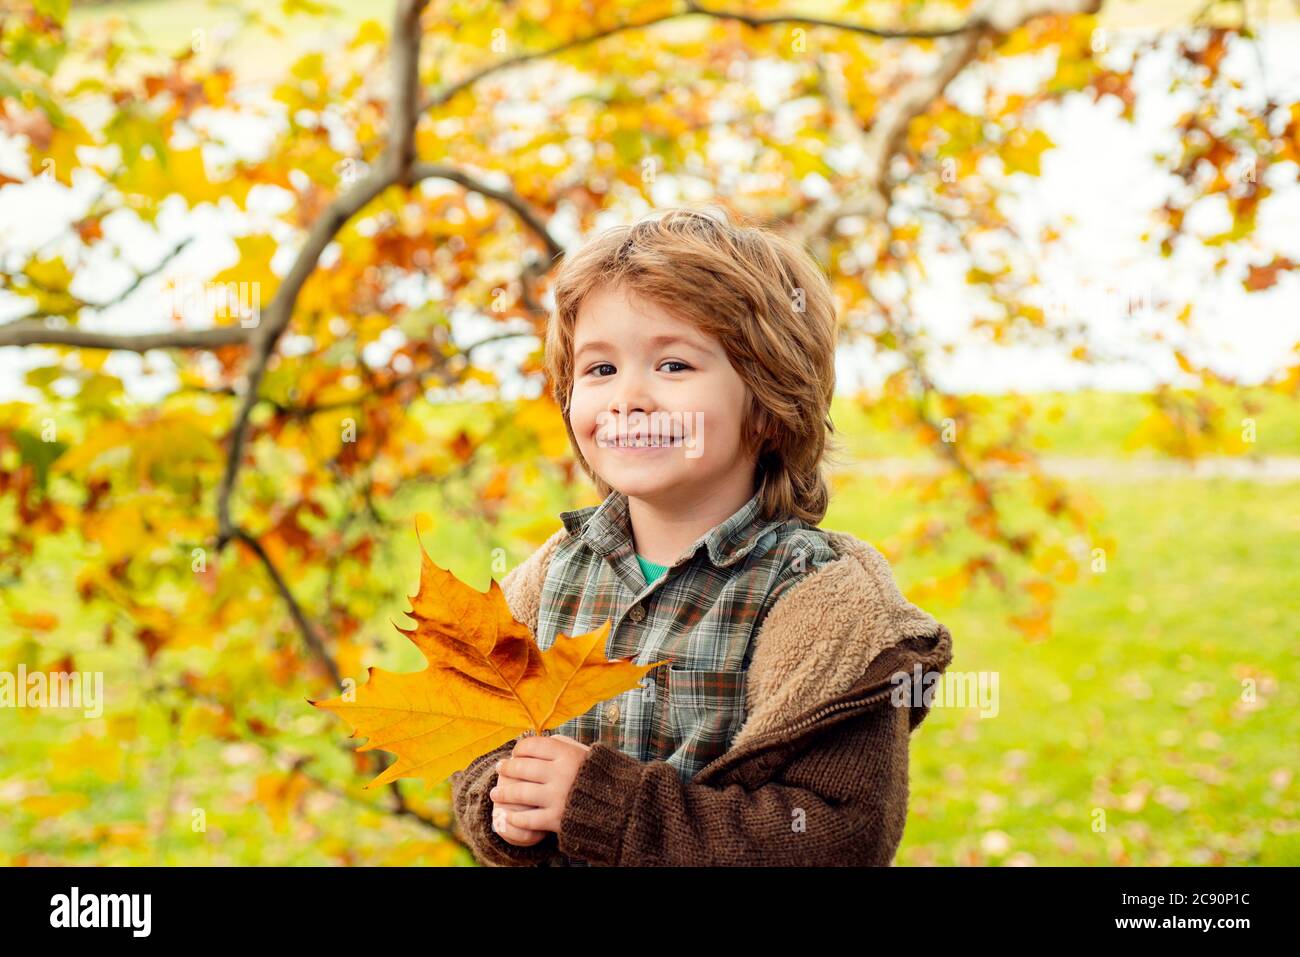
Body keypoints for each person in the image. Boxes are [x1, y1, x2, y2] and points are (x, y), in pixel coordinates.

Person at [450, 205, 953, 866]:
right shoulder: (549, 579)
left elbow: (838, 834)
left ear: (771, 402)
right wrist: (499, 801)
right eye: (600, 370)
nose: (628, 397)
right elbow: (475, 741)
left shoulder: (822, 604)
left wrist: (604, 804)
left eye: (674, 366)